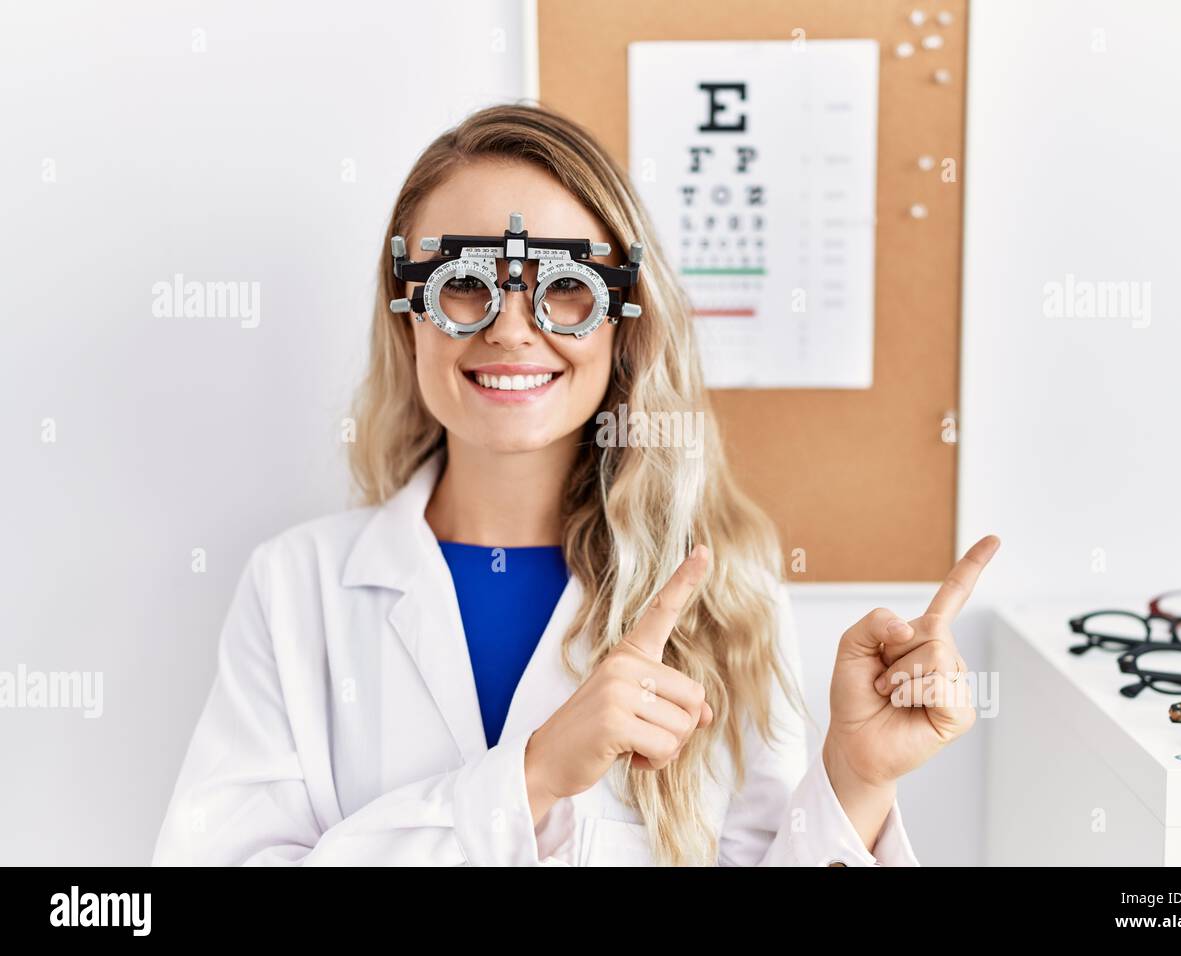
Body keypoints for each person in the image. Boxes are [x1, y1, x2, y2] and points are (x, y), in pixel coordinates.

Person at [153, 103, 999, 866]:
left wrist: (856, 781)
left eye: (564, 288)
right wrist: (530, 778)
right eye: (463, 287)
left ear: (624, 319)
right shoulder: (296, 588)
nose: (512, 331)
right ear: (408, 311)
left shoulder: (726, 589)